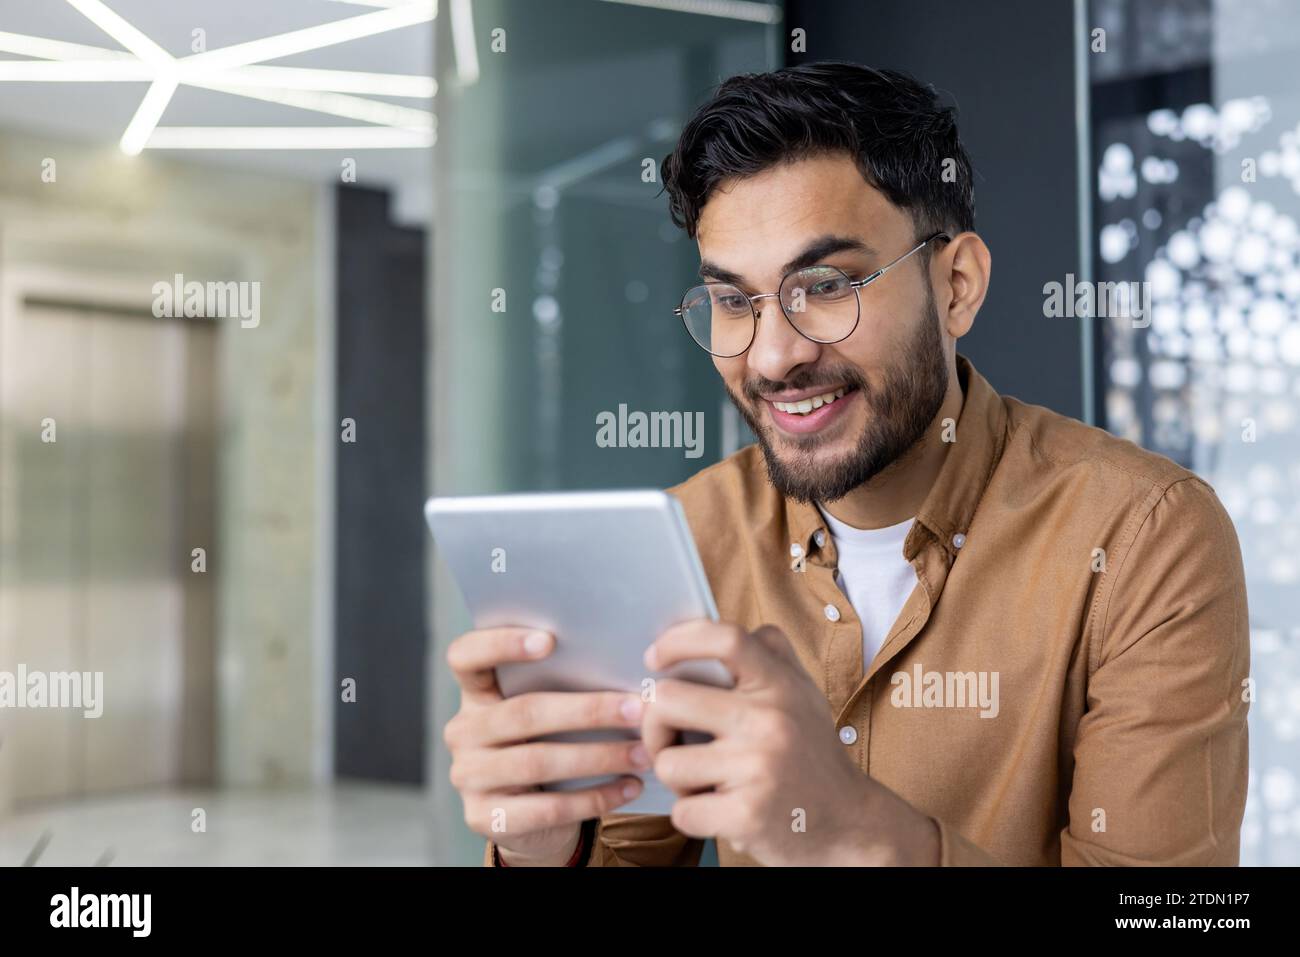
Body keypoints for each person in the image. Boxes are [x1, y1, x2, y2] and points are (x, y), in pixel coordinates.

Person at [443, 61, 1250, 866]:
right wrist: (545, 848)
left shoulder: (1145, 537)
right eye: (733, 301)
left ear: (958, 286)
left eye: (824, 285)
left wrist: (855, 832)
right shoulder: (687, 535)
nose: (773, 357)